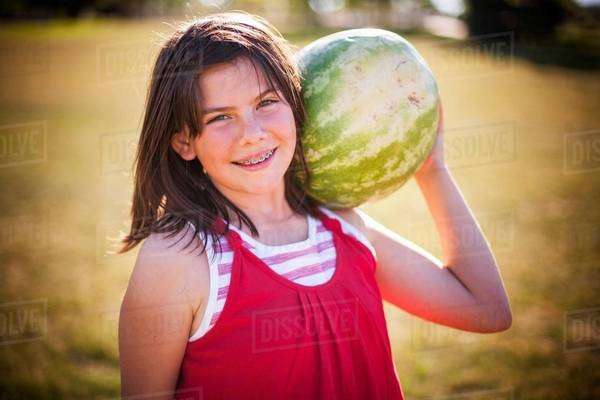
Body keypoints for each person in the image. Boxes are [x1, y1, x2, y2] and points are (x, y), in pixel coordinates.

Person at [117, 10, 512, 400]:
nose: (253, 134)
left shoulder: (342, 227)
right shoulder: (179, 260)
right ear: (184, 141)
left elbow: (486, 309)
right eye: (221, 117)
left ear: (295, 103)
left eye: (266, 102)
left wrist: (431, 169)